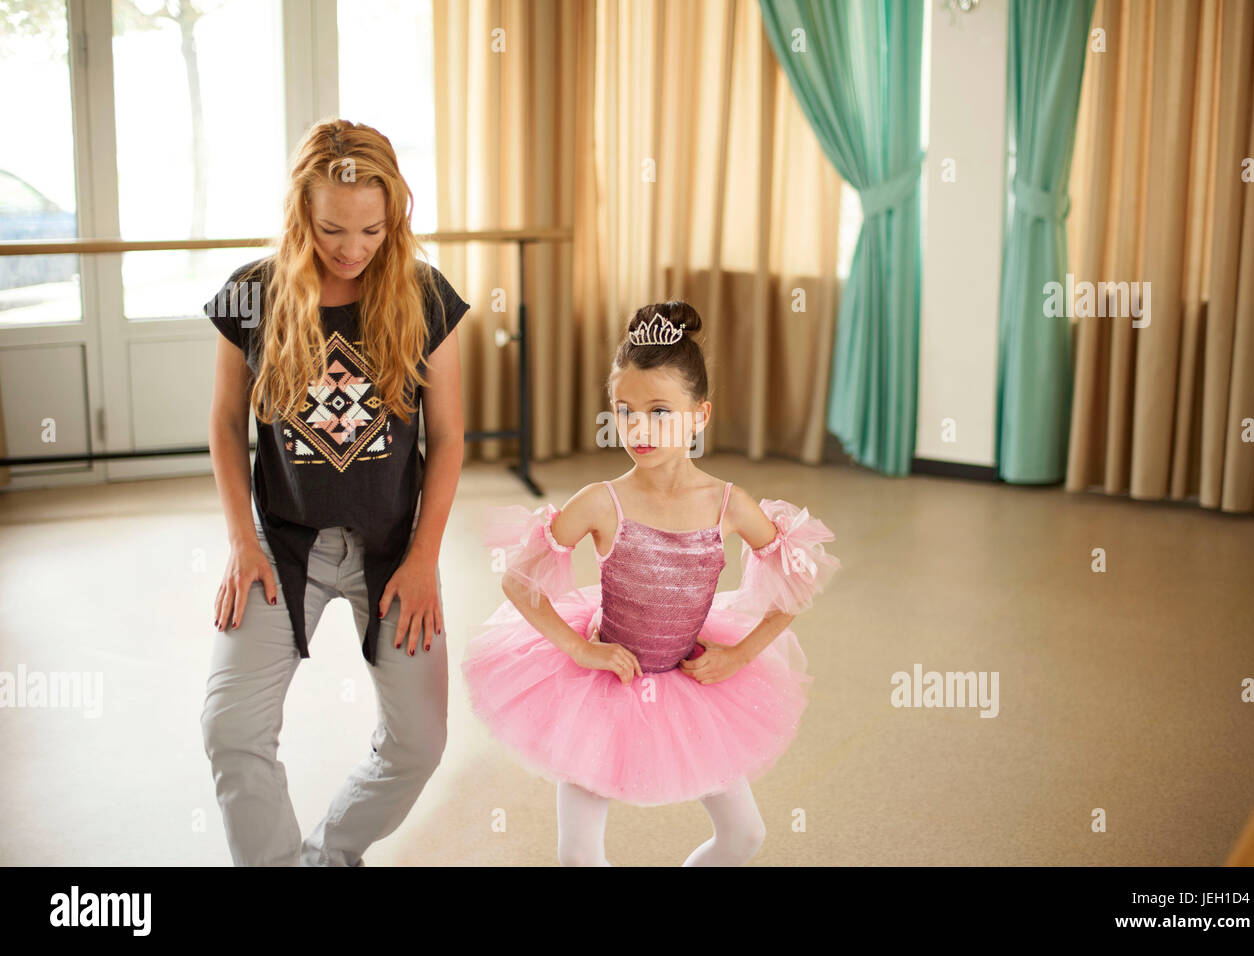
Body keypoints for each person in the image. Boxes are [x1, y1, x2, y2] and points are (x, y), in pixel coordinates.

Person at [461, 302, 840, 866]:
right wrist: (579, 647)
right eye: (625, 411)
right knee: (578, 857)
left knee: (745, 836)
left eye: (660, 411)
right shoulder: (600, 502)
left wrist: (739, 656)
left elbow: (796, 579)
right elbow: (520, 582)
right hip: (602, 687)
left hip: (694, 679)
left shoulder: (728, 504)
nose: (638, 428)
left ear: (700, 415)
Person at [200, 119, 470, 866]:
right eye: (331, 229)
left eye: (372, 230)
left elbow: (448, 439)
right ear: (299, 213)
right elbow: (225, 425)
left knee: (420, 744)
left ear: (395, 218)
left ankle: (328, 856)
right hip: (280, 544)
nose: (352, 248)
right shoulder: (252, 295)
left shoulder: (424, 295)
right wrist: (240, 542)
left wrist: (424, 559)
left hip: (393, 549)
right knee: (230, 729)